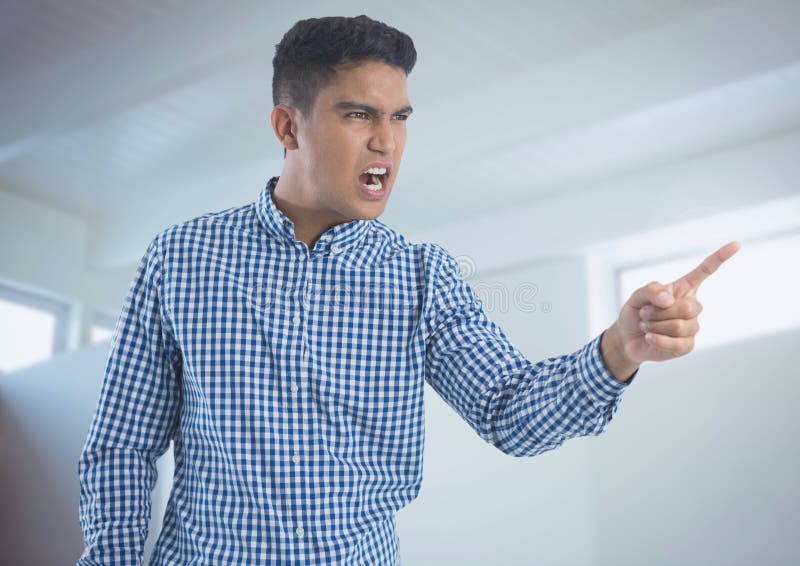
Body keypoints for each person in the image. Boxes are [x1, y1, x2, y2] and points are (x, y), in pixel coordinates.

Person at [77, 15, 740, 565]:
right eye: (359, 114)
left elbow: (511, 412)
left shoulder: (422, 276)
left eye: (399, 117)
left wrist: (618, 349)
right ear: (288, 127)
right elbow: (122, 446)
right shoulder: (183, 257)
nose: (386, 142)